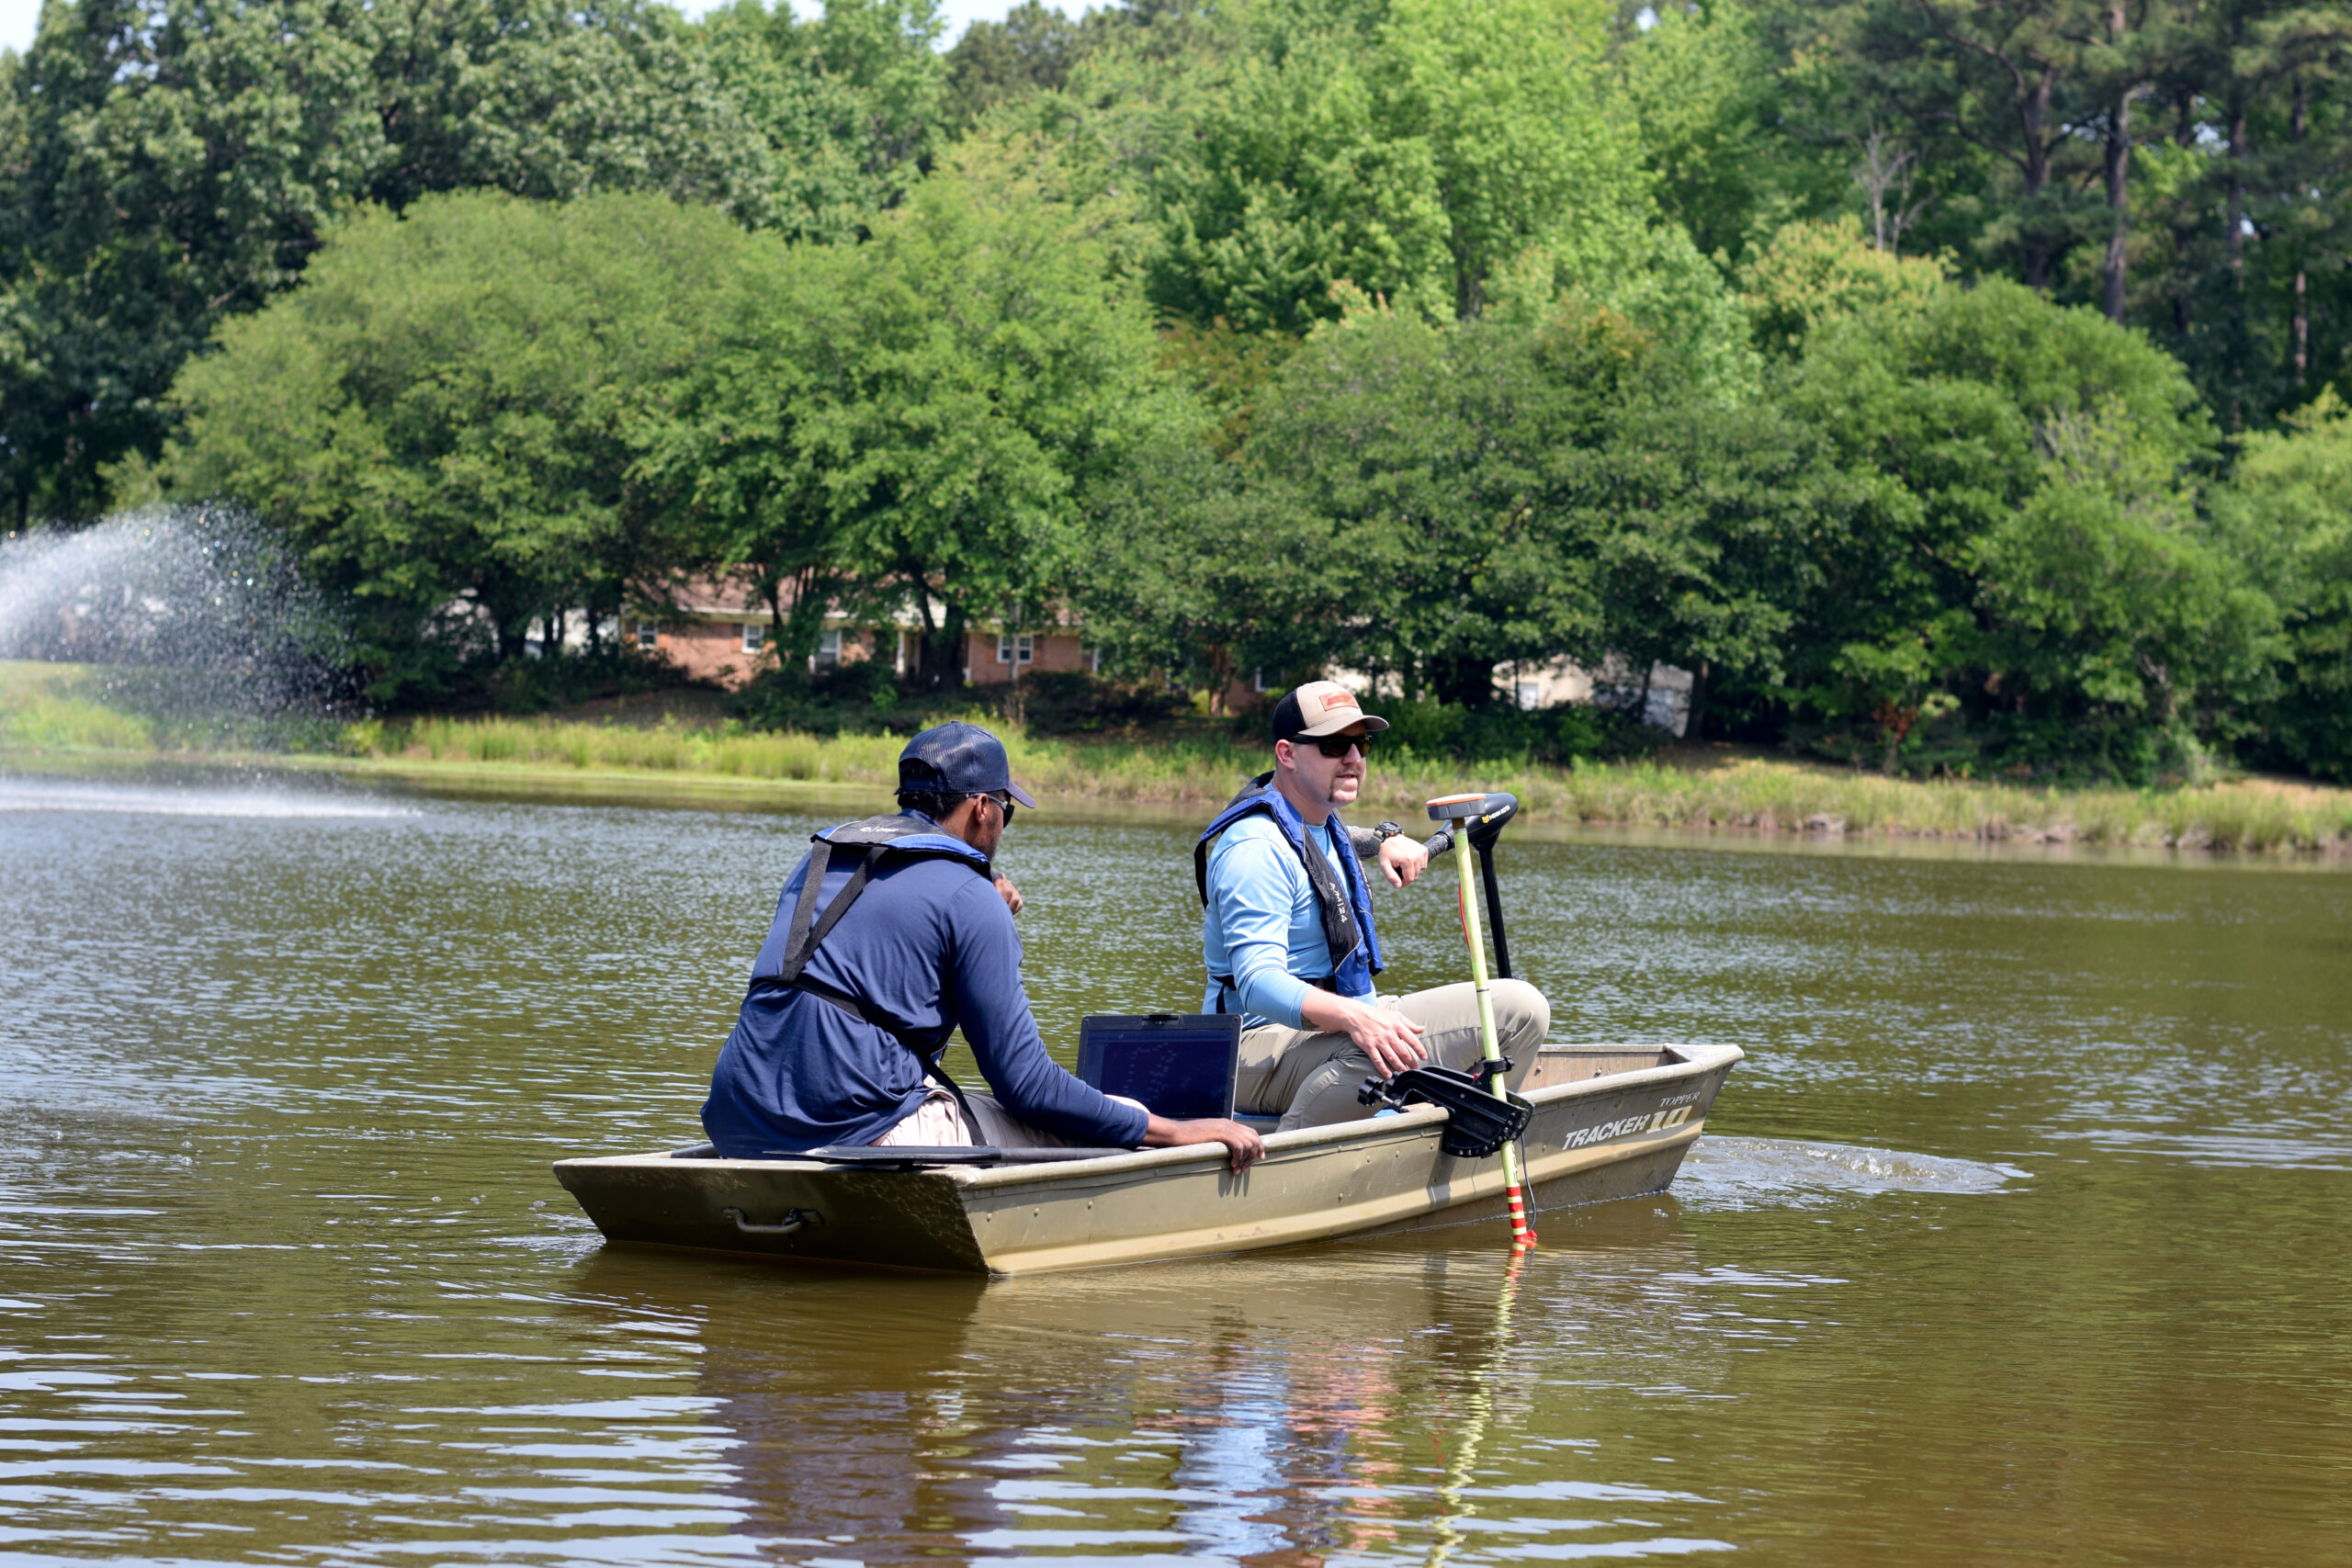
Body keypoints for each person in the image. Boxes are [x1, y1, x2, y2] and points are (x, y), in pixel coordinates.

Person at [703, 721, 1263, 1169]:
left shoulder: (820, 861)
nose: (1002, 825)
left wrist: (980, 882)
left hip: (737, 1119)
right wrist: (1170, 1130)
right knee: (1113, 1123)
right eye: (1006, 812)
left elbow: (900, 895)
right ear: (982, 809)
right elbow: (1027, 1087)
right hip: (857, 1133)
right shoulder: (970, 899)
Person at [1197, 681, 1550, 1131]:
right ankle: (1289, 1157)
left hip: (1328, 1029)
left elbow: (1342, 840)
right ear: (1287, 754)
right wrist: (1359, 1017)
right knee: (1379, 1048)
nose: (1353, 758)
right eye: (1333, 745)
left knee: (1520, 1008)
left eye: (1360, 744)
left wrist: (1387, 838)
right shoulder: (1254, 850)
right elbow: (1258, 983)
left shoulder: (1317, 823)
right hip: (1249, 1049)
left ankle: (1466, 1136)